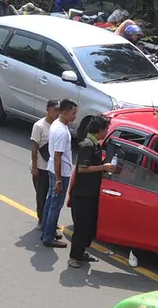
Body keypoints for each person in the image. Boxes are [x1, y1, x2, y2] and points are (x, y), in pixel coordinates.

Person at [68, 117, 116, 268]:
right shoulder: (87, 145)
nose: (107, 132)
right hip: (82, 195)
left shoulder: (96, 145)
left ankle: (81, 253)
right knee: (81, 227)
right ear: (99, 130)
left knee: (89, 226)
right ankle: (74, 257)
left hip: (91, 194)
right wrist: (103, 168)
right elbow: (83, 168)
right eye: (106, 129)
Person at [40, 100, 79, 249]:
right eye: (73, 113)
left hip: (52, 169)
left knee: (50, 202)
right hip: (60, 173)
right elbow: (58, 157)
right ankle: (48, 237)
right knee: (55, 205)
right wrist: (59, 180)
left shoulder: (56, 124)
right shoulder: (62, 132)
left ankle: (46, 230)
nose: (75, 116)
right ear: (64, 112)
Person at [31, 99, 61, 227]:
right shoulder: (39, 126)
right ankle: (41, 219)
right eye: (55, 110)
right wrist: (35, 167)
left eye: (59, 110)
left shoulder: (58, 125)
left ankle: (50, 221)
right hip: (41, 167)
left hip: (52, 167)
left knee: (52, 196)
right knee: (41, 195)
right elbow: (34, 148)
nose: (57, 113)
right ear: (48, 109)